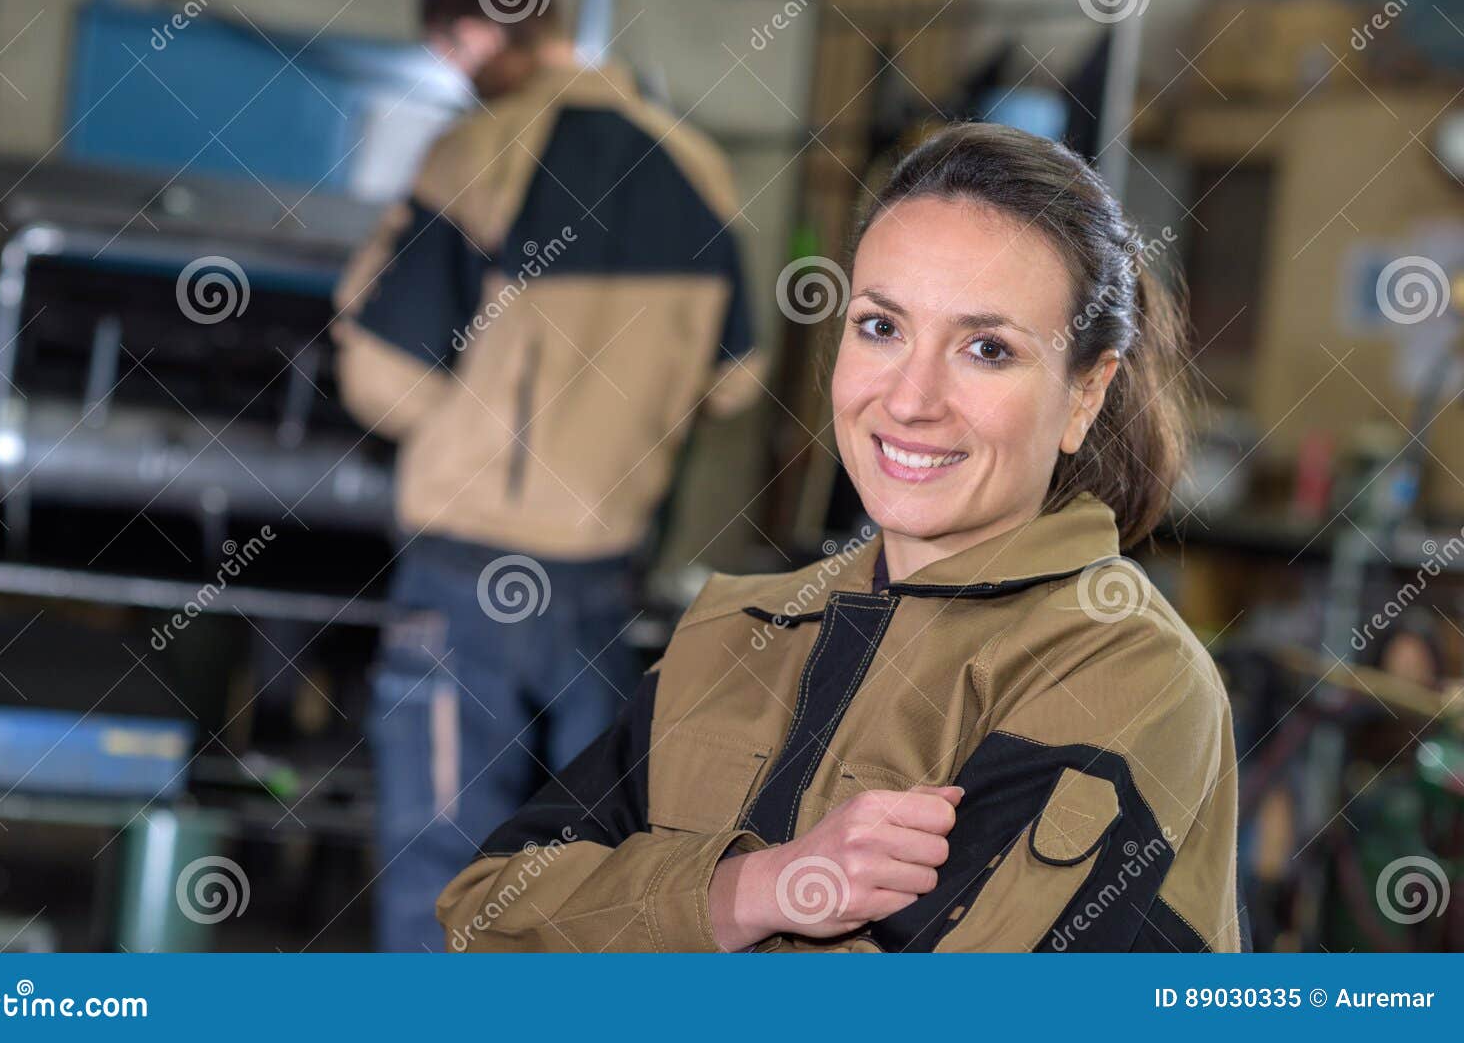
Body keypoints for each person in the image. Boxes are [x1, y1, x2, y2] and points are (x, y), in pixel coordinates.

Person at [437, 122, 1249, 952]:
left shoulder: (1123, 671)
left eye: (986, 348)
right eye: (882, 328)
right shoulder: (734, 636)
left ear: (1084, 394)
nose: (910, 400)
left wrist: (636, 926)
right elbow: (483, 921)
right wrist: (755, 889)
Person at [333, 0, 760, 952]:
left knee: (445, 869)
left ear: (477, 35)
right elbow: (737, 381)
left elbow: (381, 378)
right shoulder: (697, 168)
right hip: (605, 581)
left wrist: (483, 417)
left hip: (465, 571)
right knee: (588, 879)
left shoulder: (475, 153)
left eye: (450, 53)